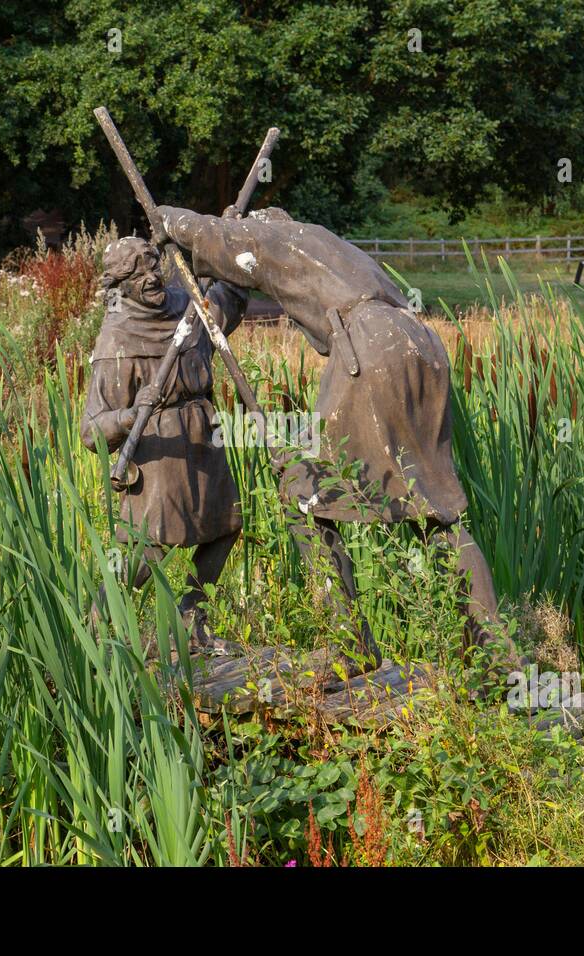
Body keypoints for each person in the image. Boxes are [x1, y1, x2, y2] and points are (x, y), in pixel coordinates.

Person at [152, 205, 519, 673]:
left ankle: (351, 644)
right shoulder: (332, 245)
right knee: (435, 508)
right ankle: (498, 659)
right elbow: (232, 261)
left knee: (302, 488)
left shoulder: (285, 241)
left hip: (368, 350)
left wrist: (168, 219)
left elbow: (220, 239)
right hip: (422, 348)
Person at [80, 236, 248, 652]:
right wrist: (129, 414)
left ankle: (194, 617)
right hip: (158, 449)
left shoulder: (185, 305)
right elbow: (89, 431)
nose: (152, 276)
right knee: (144, 553)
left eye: (153, 265)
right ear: (119, 285)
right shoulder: (116, 341)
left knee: (226, 526)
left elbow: (225, 301)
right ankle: (95, 629)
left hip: (204, 436)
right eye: (138, 272)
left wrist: (227, 240)